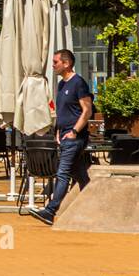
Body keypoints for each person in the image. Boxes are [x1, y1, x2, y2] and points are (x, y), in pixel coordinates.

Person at [31, 49, 92, 226]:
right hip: (64, 136)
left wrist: (74, 131)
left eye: (56, 62)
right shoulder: (61, 85)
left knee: (63, 173)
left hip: (74, 138)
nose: (53, 65)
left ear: (66, 64)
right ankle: (91, 206)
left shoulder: (78, 83)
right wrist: (58, 130)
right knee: (80, 175)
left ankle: (50, 211)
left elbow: (87, 110)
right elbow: (62, 111)